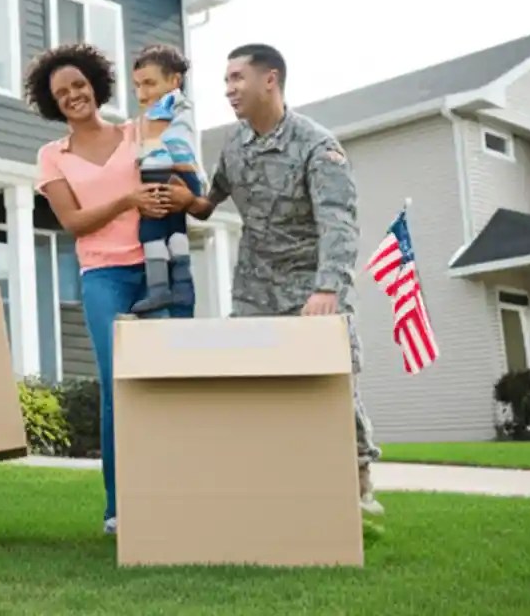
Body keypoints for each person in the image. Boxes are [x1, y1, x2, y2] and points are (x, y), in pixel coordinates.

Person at [169, 44, 386, 516]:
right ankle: (270, 488)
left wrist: (327, 289)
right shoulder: (234, 142)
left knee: (334, 389)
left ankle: (358, 487)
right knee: (255, 389)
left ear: (270, 80)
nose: (228, 90)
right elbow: (214, 198)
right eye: (225, 81)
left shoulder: (316, 146)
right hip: (254, 290)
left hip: (311, 290)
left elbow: (339, 223)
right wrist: (185, 200)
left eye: (236, 78)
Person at [26, 43, 183, 536]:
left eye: (79, 84)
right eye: (62, 92)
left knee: (165, 383)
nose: (74, 95)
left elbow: (174, 158)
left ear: (95, 83)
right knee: (120, 386)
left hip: (156, 268)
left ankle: (174, 494)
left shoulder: (136, 132)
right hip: (103, 278)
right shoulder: (53, 156)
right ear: (52, 103)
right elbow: (73, 222)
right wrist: (126, 200)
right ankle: (119, 507)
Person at [129, 44, 205, 315]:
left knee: (150, 230)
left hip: (166, 171)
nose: (142, 93)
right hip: (182, 172)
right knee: (174, 230)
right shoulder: (182, 108)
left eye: (149, 83)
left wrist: (141, 154)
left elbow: (156, 138)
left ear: (175, 80)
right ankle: (182, 284)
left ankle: (160, 288)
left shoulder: (168, 103)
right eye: (137, 86)